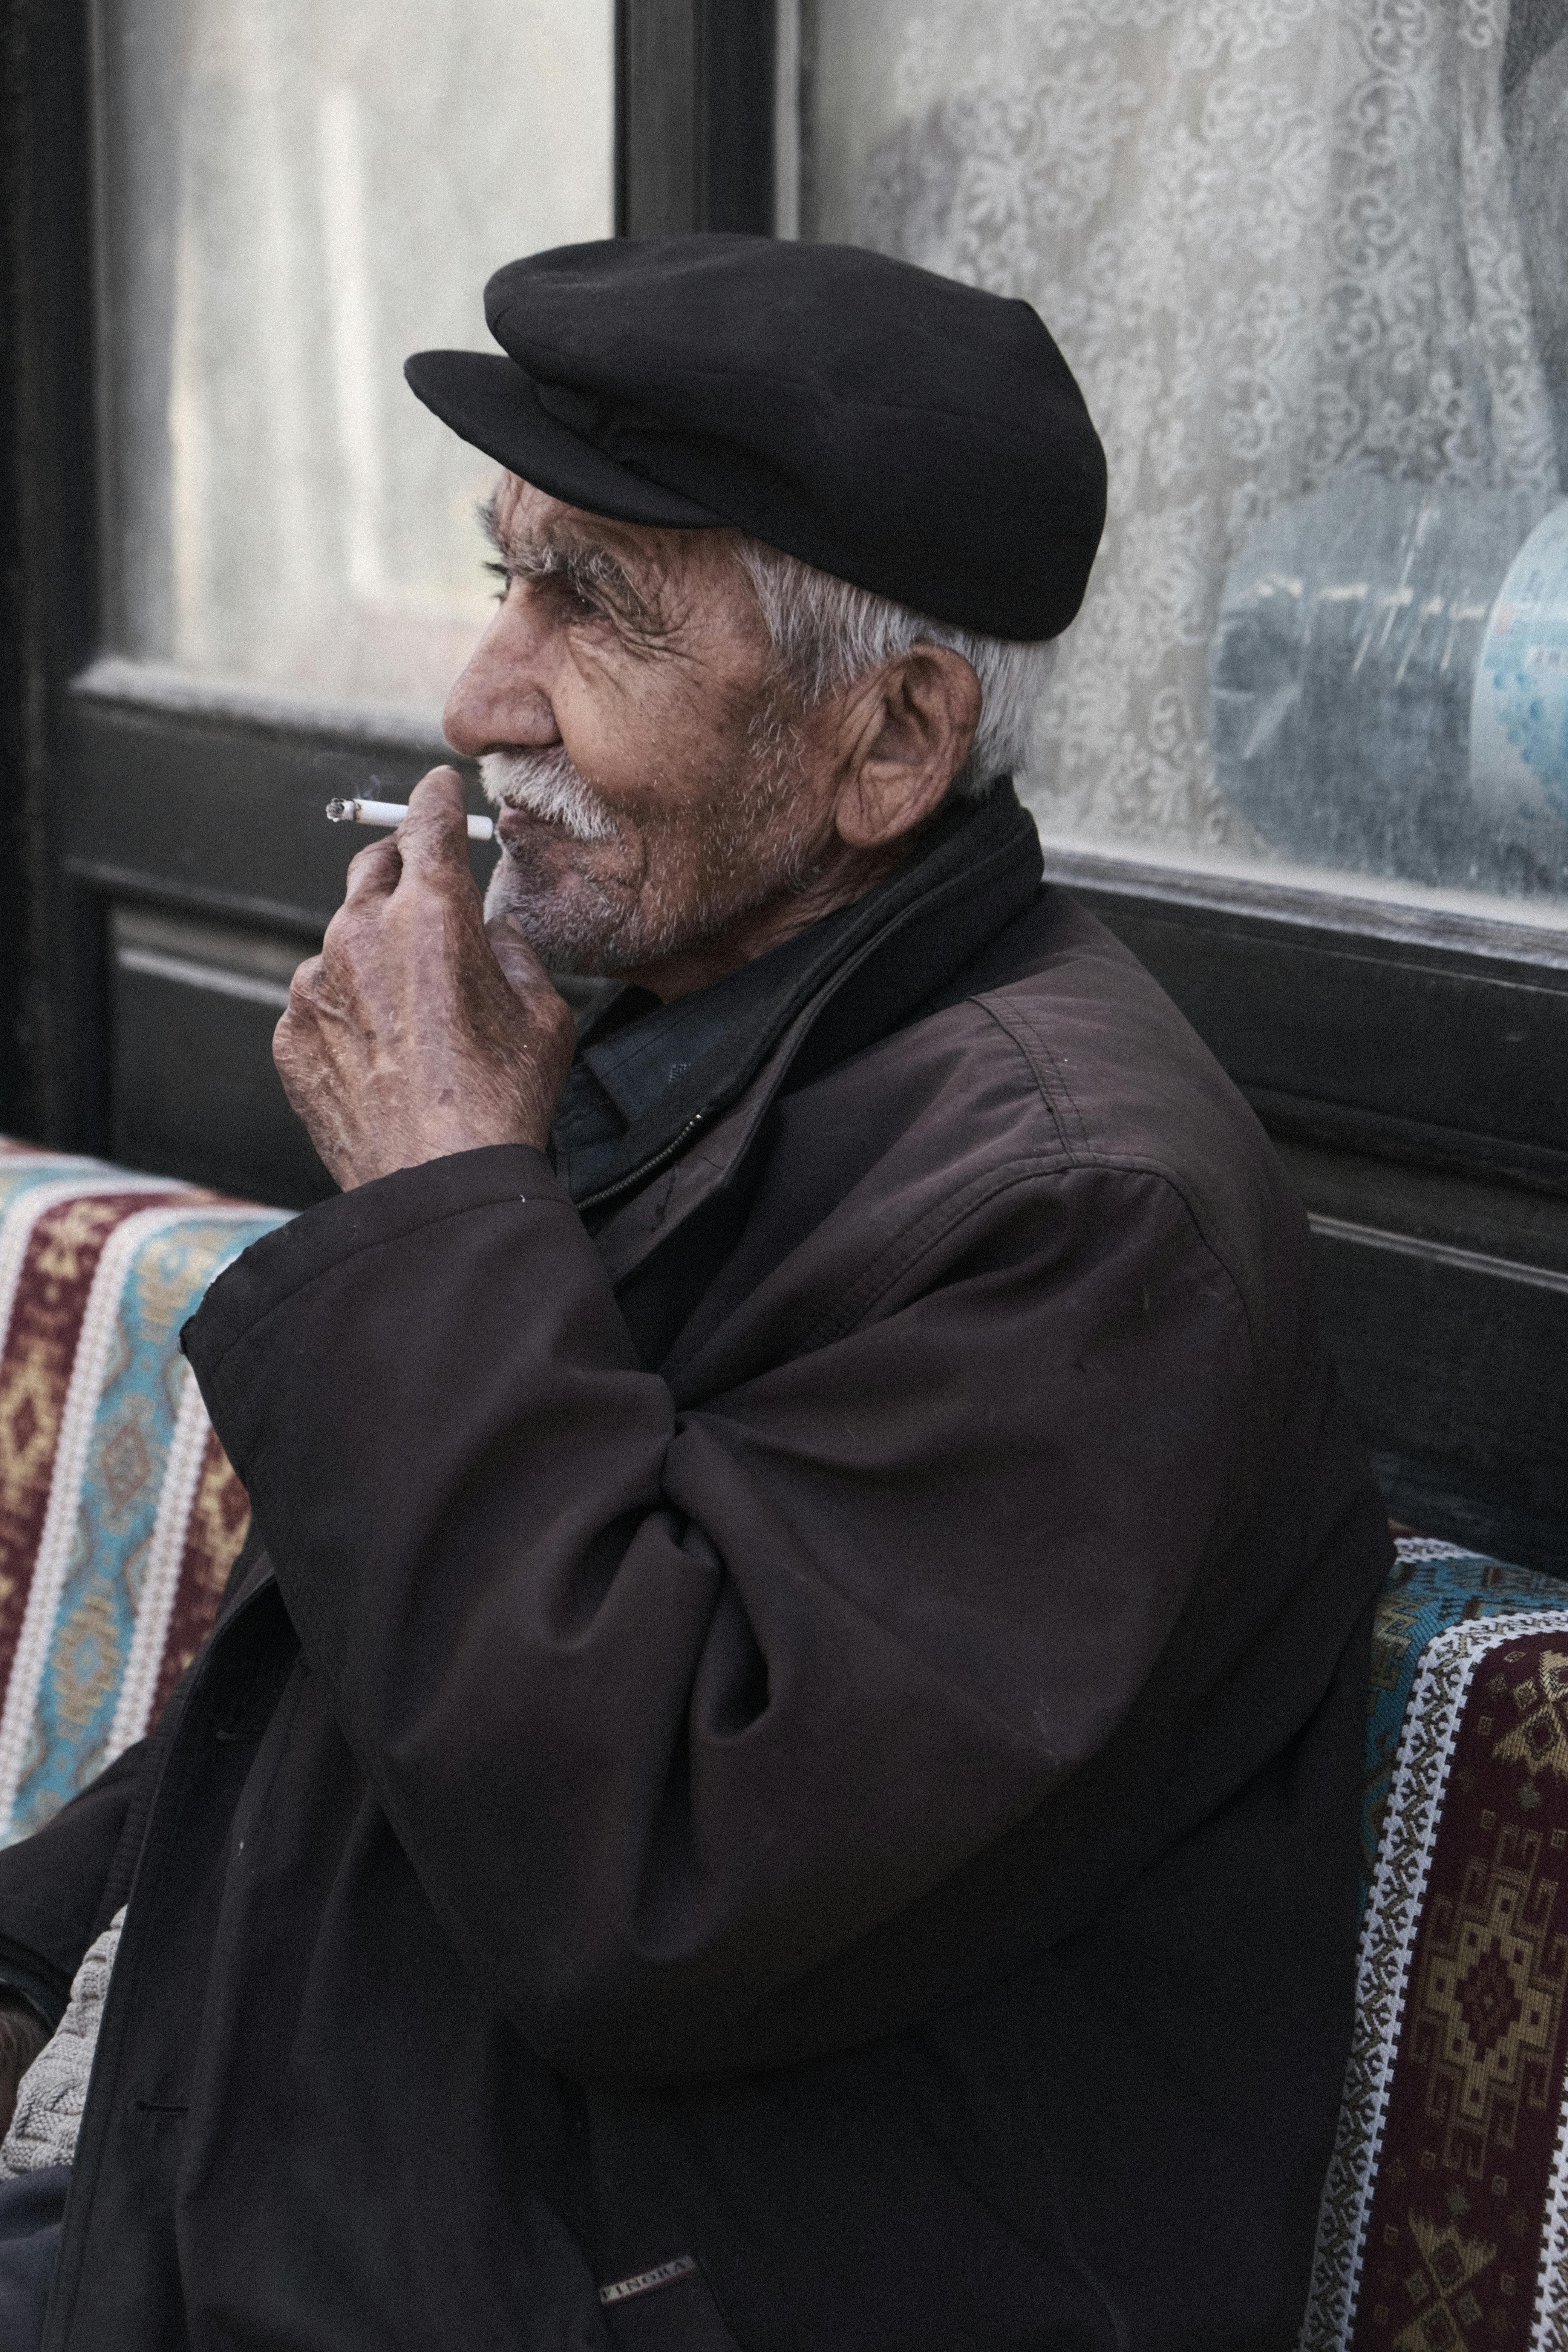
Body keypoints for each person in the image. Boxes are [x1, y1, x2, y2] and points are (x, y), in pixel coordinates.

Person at [0, 235, 1389, 2351]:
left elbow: (639, 1872)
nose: (480, 704)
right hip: (283, 2208)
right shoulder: (682, 1043)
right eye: (509, 580)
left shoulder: (1080, 1226)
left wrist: (449, 1203)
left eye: (603, 613)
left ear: (892, 742)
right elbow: (335, 1704)